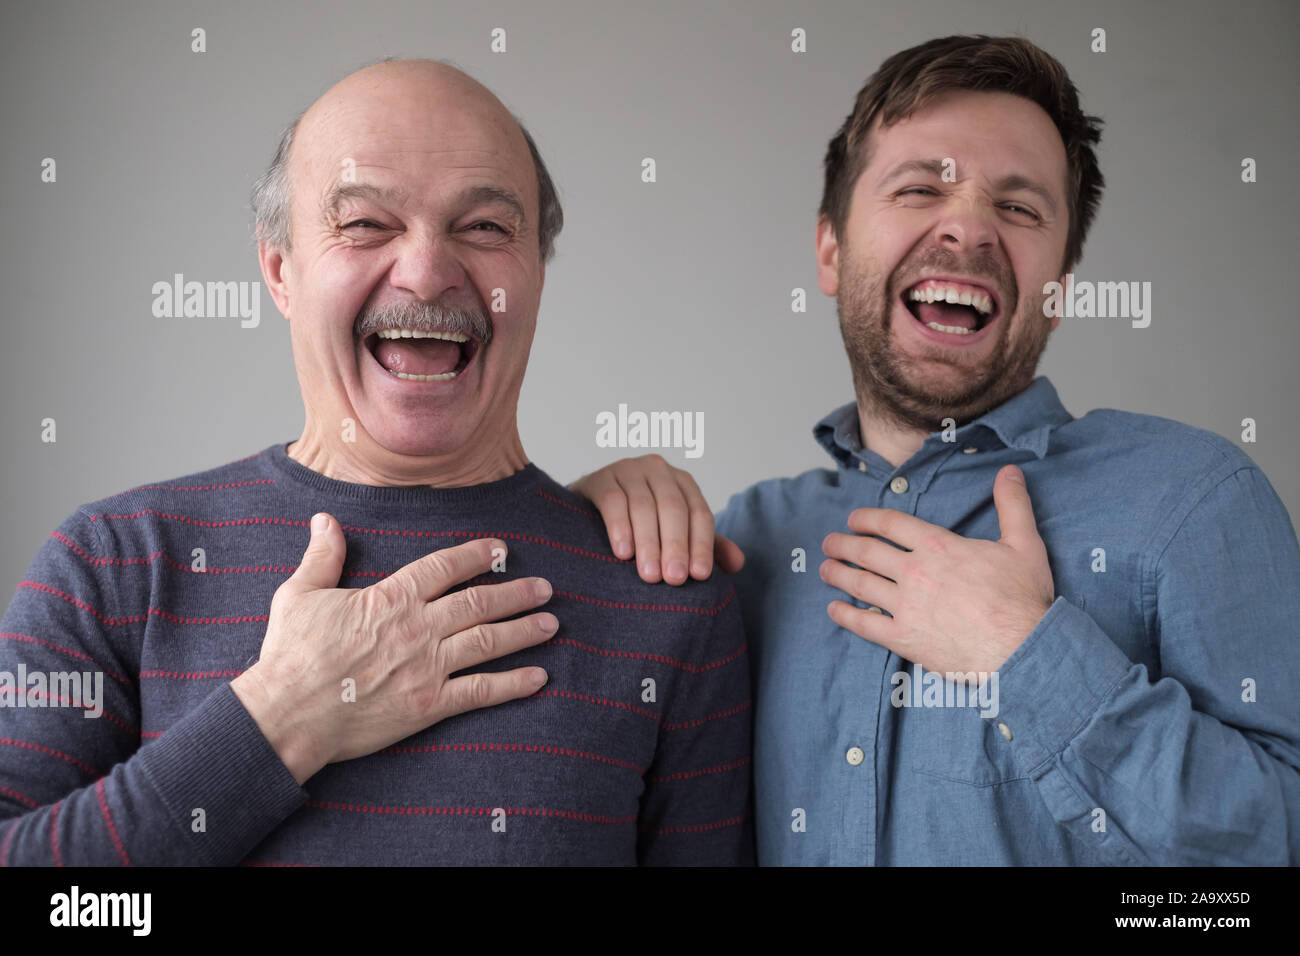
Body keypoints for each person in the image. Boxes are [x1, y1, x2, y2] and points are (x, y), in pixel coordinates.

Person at [0, 59, 752, 866]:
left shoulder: (668, 595)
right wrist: (281, 718)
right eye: (364, 224)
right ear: (281, 271)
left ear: (535, 272)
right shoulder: (114, 563)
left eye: (486, 228)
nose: (428, 270)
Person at [572, 34, 1300, 865]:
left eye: (1020, 209)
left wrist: (1026, 657)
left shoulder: (1198, 498)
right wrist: (588, 525)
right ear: (831, 254)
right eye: (920, 188)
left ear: (1058, 287)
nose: (969, 228)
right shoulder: (752, 542)